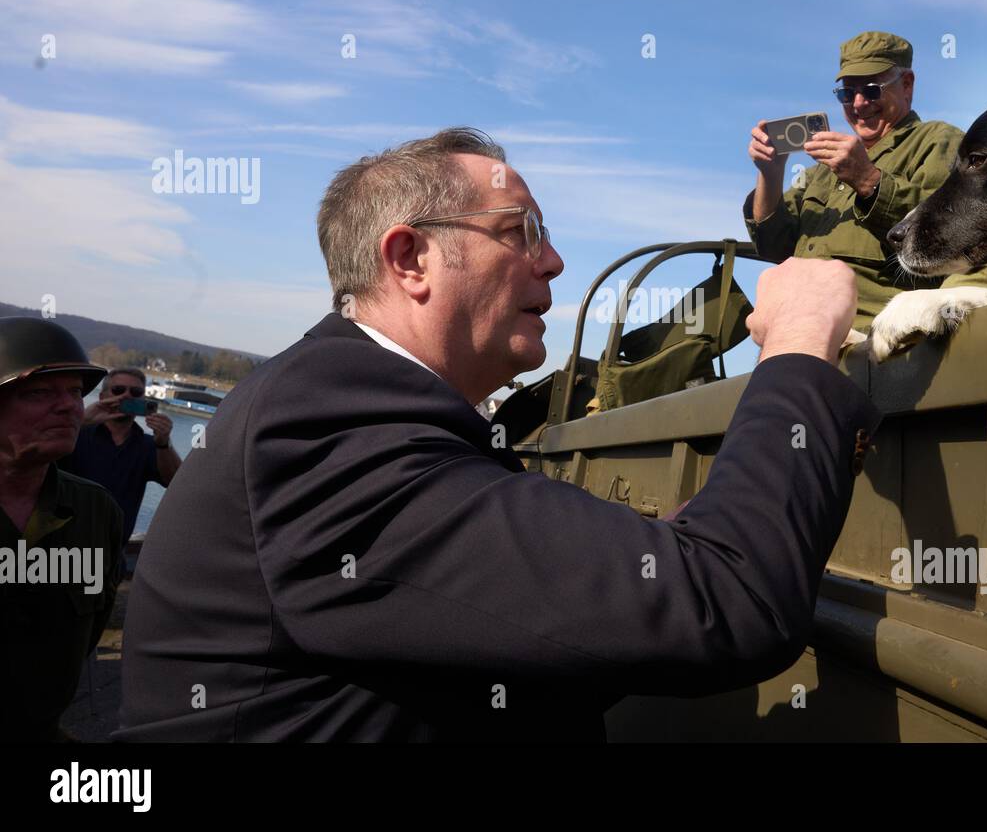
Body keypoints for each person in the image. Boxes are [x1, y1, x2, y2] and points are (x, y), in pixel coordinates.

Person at [119, 127, 880, 742]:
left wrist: (641, 559)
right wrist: (801, 344)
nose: (552, 260)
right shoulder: (325, 423)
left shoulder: (370, 410)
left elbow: (500, 633)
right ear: (410, 257)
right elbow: (732, 602)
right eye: (521, 233)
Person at [744, 31, 987, 332]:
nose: (859, 104)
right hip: (794, 326)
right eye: (847, 94)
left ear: (907, 85)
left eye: (872, 90)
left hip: (874, 336)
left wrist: (867, 180)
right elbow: (772, 246)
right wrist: (769, 176)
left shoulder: (937, 142)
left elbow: (953, 231)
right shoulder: (820, 171)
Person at [0, 317, 123, 742]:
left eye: (74, 392)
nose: (69, 407)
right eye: (39, 393)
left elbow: (89, 631)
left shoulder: (94, 511)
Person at [60, 366, 181, 568]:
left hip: (111, 558)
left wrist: (164, 443)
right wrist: (78, 422)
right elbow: (32, 460)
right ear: (102, 396)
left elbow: (177, 482)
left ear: (143, 400)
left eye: (135, 393)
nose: (126, 396)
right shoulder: (77, 434)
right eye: (118, 390)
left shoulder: (149, 445)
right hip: (59, 550)